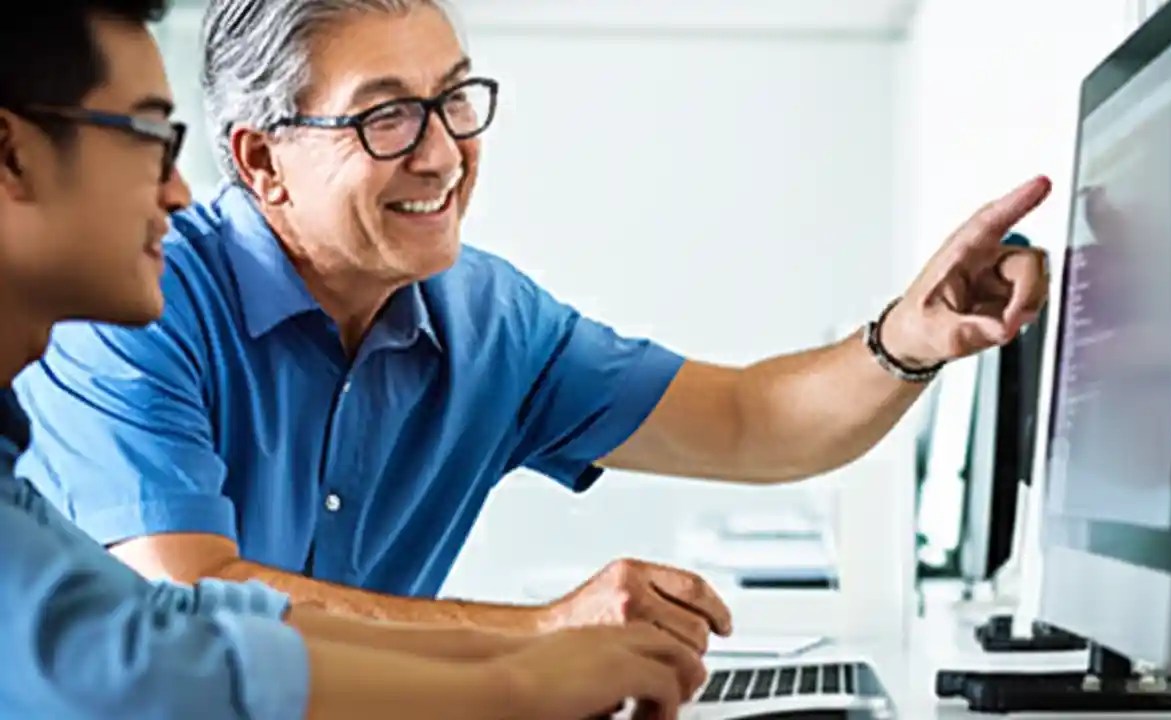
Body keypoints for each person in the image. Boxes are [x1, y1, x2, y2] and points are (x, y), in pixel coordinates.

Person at [14, 0, 1052, 654]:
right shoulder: (130, 297)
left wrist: (905, 340)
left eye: (455, 100)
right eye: (387, 116)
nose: (442, 154)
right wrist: (545, 634)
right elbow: (189, 597)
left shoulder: (487, 320)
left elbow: (751, 422)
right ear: (259, 160)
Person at [0, 3, 704, 718]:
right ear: (11, 155)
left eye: (453, 100)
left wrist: (534, 652)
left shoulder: (483, 312)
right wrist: (521, 670)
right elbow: (156, 660)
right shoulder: (154, 313)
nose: (177, 190)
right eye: (146, 138)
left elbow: (174, 626)